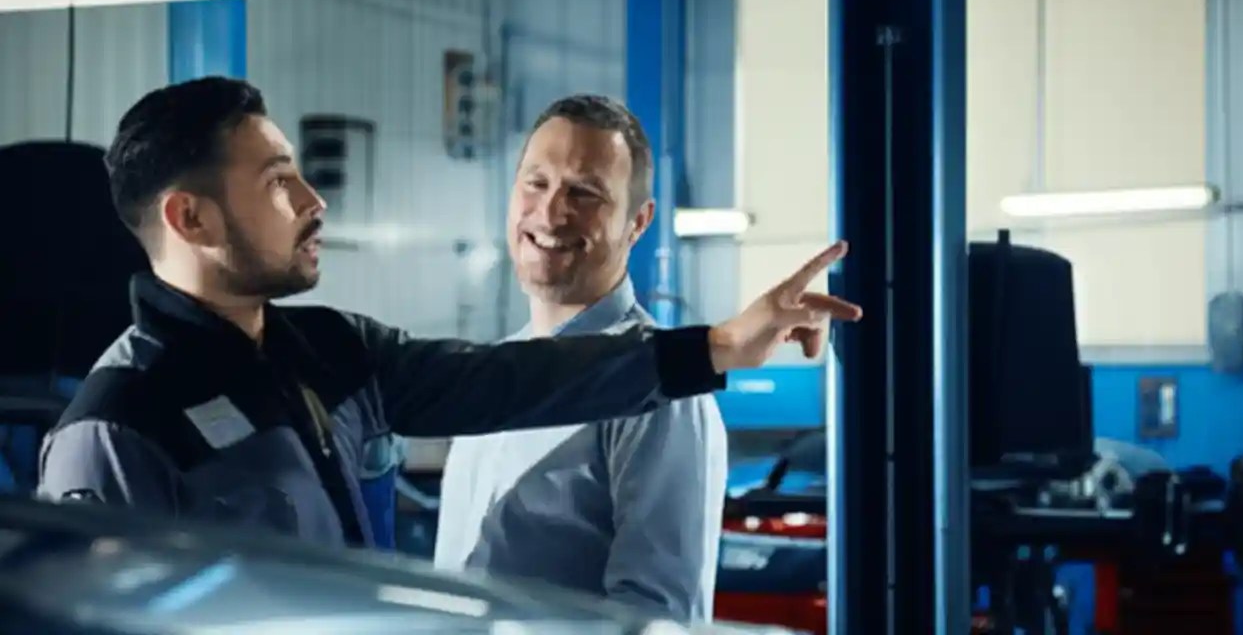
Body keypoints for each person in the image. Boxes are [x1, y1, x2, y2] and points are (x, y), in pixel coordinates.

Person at [35, 77, 862, 551]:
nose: (313, 201)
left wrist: (716, 347)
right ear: (193, 219)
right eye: (279, 182)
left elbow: (510, 380)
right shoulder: (116, 429)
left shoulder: (327, 351)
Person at [434, 95, 727, 621]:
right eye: (536, 182)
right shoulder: (489, 372)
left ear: (637, 223)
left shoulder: (662, 395)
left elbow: (657, 619)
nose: (550, 212)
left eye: (584, 192)